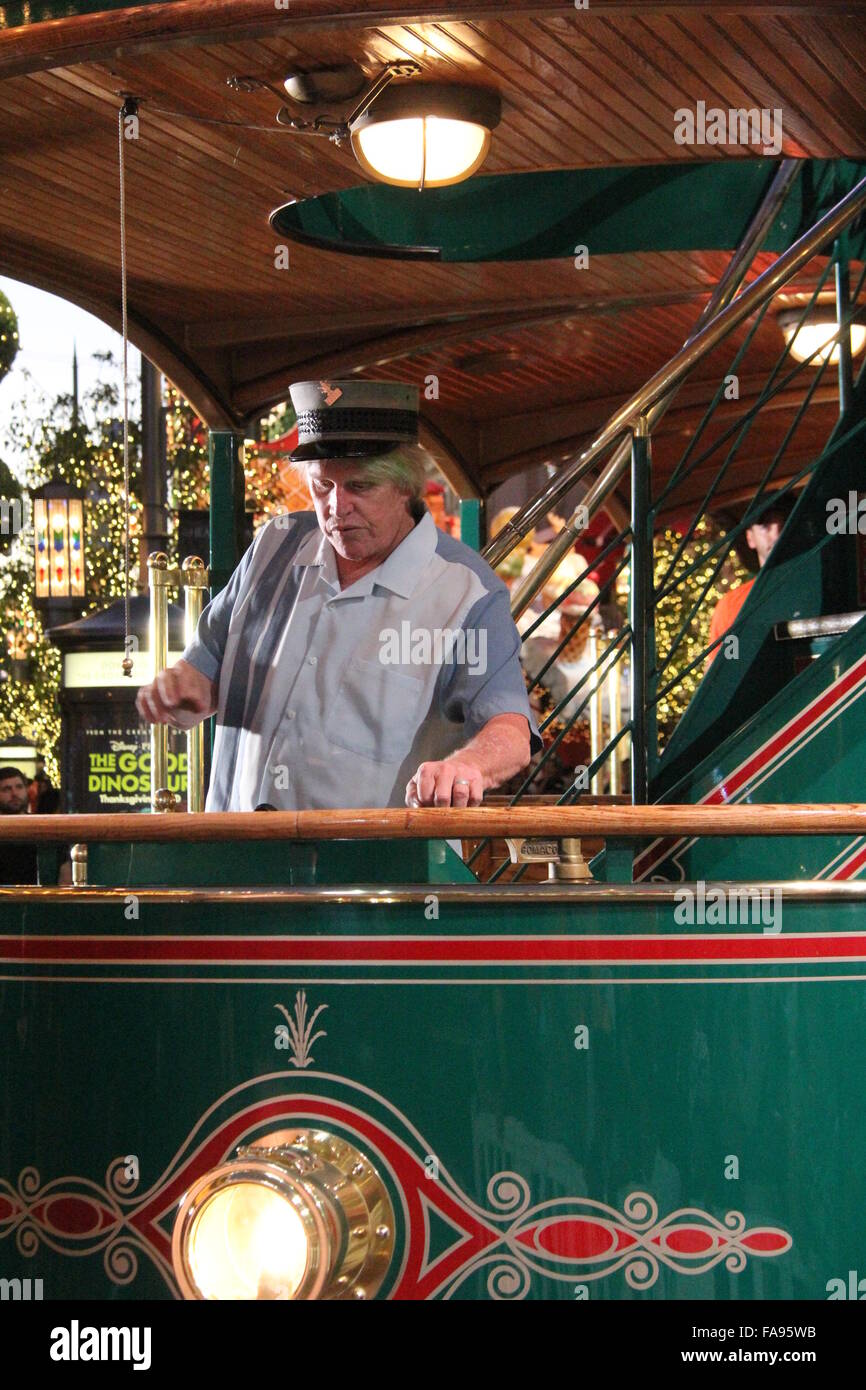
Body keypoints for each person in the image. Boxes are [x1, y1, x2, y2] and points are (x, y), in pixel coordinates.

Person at [137, 380, 542, 810]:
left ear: (406, 486)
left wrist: (467, 768)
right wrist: (183, 687)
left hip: (375, 872)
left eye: (359, 487)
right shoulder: (274, 547)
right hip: (240, 863)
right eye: (322, 486)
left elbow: (511, 730)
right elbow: (205, 673)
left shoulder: (466, 593)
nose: (336, 507)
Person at [706, 496, 792, 665]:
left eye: (785, 523)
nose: (776, 534)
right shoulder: (732, 605)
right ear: (750, 538)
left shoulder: (815, 585)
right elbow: (719, 676)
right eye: (765, 526)